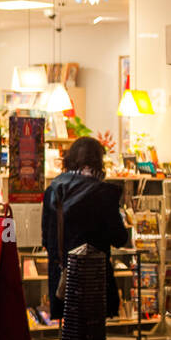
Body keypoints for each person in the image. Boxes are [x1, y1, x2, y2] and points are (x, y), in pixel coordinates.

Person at [41, 136, 131, 321]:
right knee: (93, 335)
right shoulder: (104, 193)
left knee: (69, 335)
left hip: (63, 274)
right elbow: (120, 238)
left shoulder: (54, 190)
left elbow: (46, 238)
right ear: (99, 161)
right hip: (95, 277)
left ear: (69, 159)